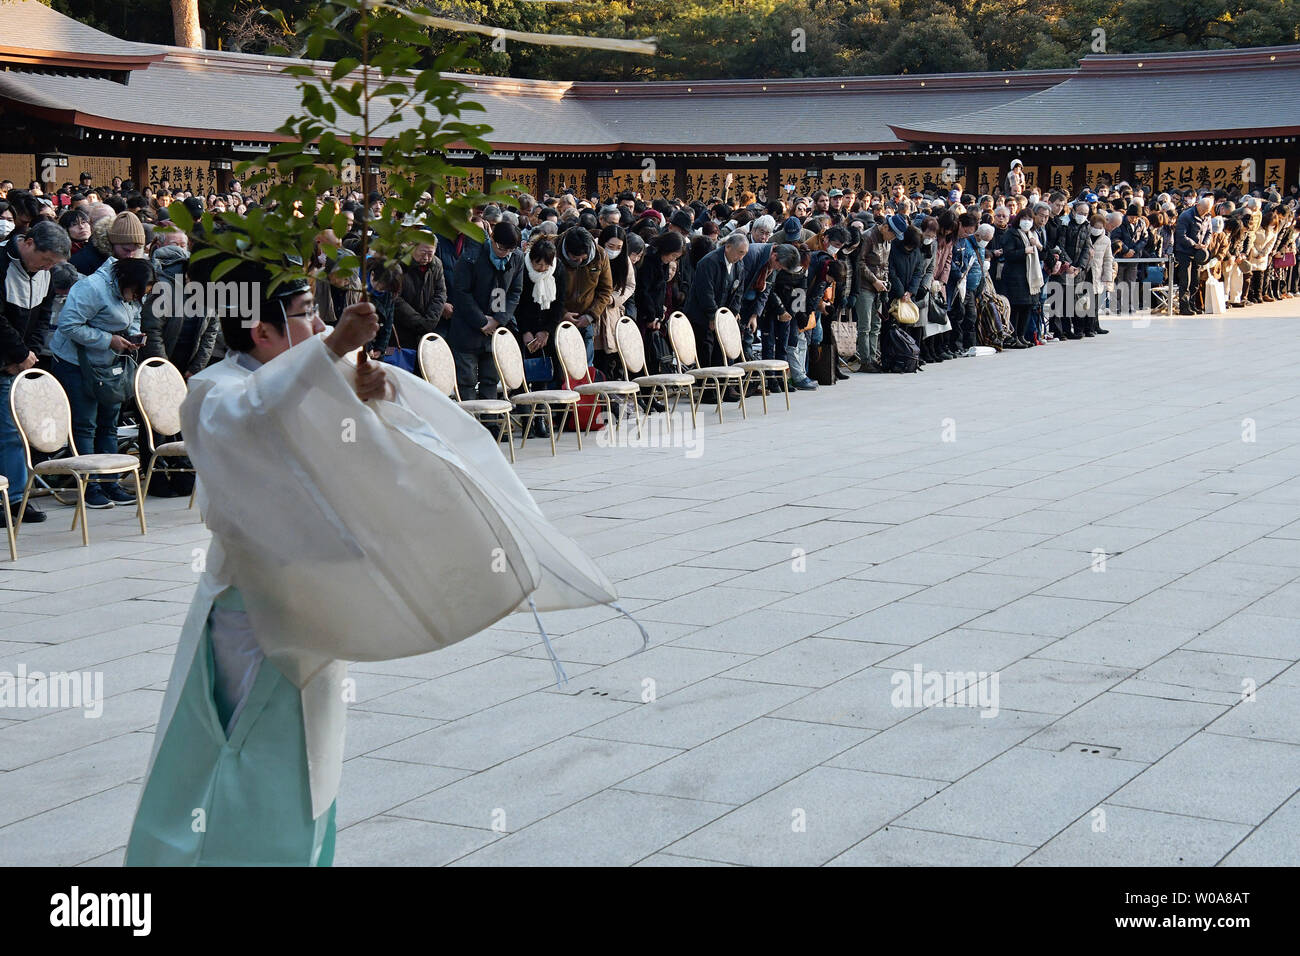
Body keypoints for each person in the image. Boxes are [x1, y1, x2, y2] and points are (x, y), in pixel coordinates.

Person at [49, 256, 153, 508]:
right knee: (85, 425)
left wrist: (133, 335)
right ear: (124, 281)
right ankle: (89, 486)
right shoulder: (92, 288)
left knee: (109, 422)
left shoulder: (137, 291)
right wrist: (108, 339)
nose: (136, 298)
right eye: (134, 293)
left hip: (110, 364)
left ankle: (111, 483)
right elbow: (69, 325)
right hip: (76, 362)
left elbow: (135, 315)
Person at [1, 220, 71, 525]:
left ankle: (15, 499)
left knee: (14, 432)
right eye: (45, 260)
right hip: (8, 356)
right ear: (27, 243)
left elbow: (44, 315)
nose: (47, 268)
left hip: (20, 360)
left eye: (52, 264)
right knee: (8, 431)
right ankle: (10, 499)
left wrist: (29, 353)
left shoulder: (47, 273)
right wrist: (17, 353)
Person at [449, 221, 523, 399]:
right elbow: (461, 292)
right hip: (468, 328)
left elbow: (514, 291)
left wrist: (498, 320)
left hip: (494, 329)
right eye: (501, 248)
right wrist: (482, 321)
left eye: (509, 250)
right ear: (491, 238)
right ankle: (469, 422)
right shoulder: (471, 256)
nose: (505, 253)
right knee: (466, 380)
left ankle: (491, 425)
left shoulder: (516, 258)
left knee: (490, 379)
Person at [1174, 195, 1212, 315]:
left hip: (1199, 253)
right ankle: (1184, 307)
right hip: (1185, 251)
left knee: (1196, 281)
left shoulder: (1207, 216)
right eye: (1203, 210)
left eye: (1207, 211)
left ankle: (1192, 304)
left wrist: (1205, 243)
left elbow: (1209, 232)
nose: (1204, 212)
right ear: (1198, 205)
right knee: (1186, 280)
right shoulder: (1186, 215)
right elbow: (1181, 235)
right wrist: (1194, 244)